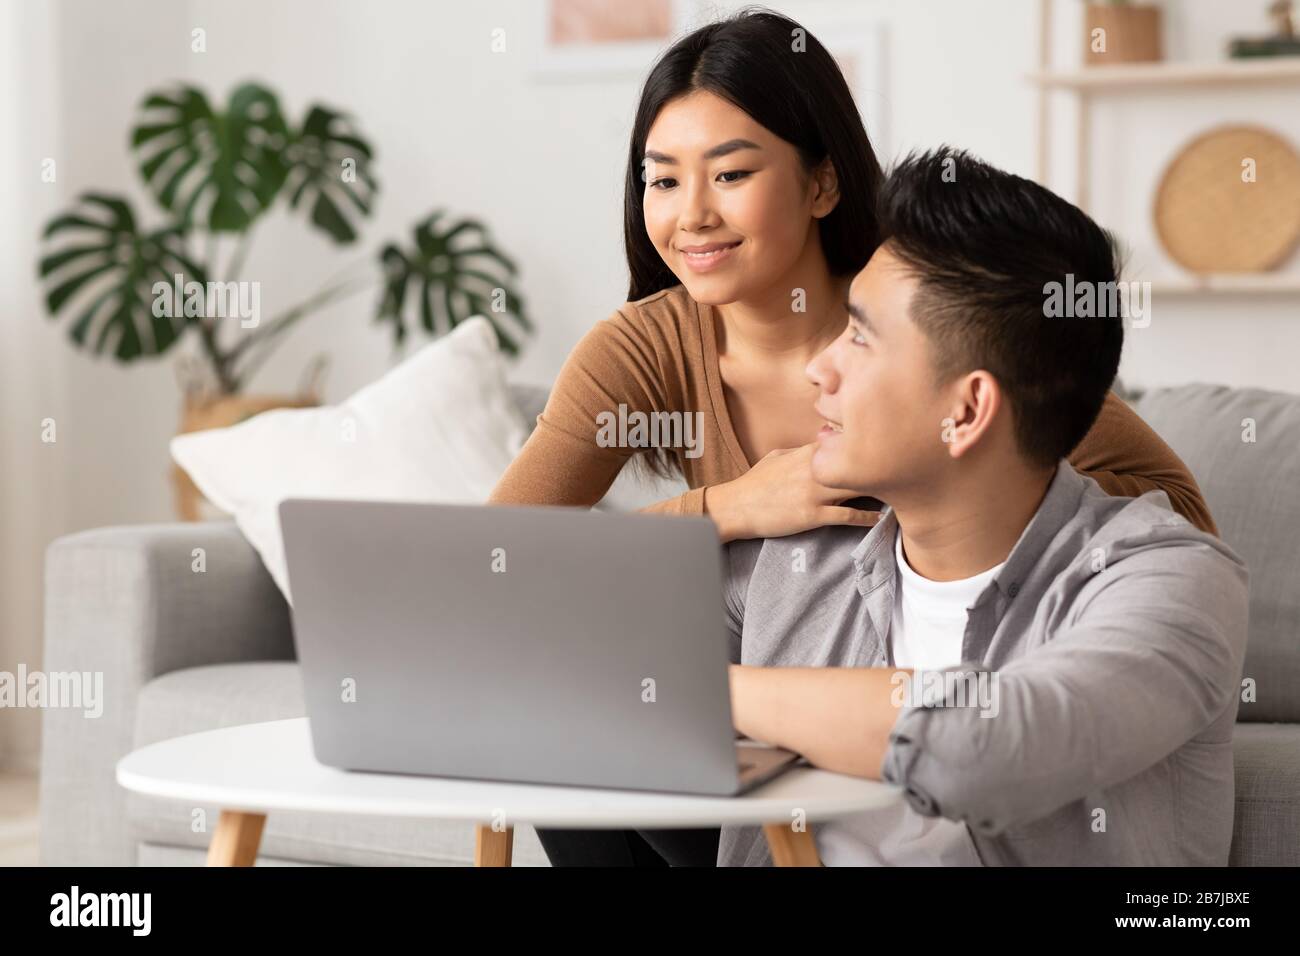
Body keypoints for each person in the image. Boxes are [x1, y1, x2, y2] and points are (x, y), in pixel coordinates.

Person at [499, 7, 1219, 866]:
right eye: (661, 179)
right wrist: (728, 507)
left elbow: (1105, 469)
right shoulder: (760, 547)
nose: (691, 215)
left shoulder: (945, 329)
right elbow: (507, 574)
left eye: (729, 174)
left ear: (821, 185)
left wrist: (979, 544)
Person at [718, 147, 1248, 866]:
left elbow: (983, 747)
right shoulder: (801, 557)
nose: (819, 367)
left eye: (861, 337)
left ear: (967, 411)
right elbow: (570, 655)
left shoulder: (1169, 583)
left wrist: (712, 694)